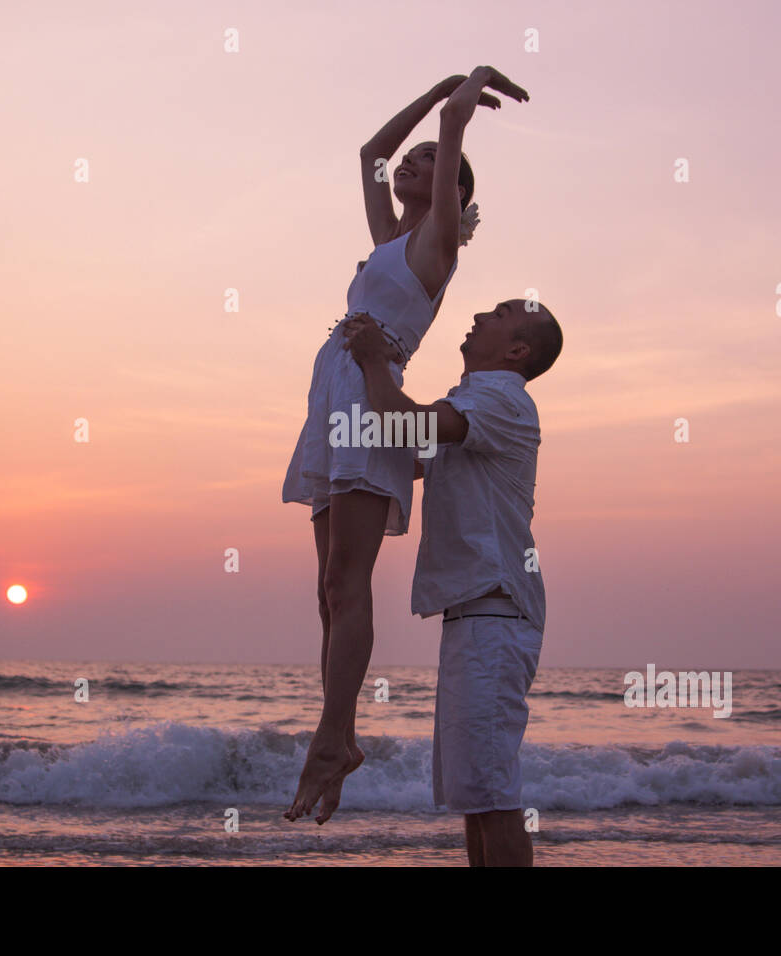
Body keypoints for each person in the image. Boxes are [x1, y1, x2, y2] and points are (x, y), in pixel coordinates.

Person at [283, 68, 530, 823]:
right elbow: (368, 154)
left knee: (348, 582)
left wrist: (467, 98)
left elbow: (453, 137)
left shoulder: (436, 244)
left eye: (429, 162)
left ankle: (333, 736)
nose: (412, 164)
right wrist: (432, 93)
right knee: (330, 589)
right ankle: (341, 732)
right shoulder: (389, 240)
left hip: (369, 398)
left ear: (451, 191)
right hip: (333, 397)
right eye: (415, 158)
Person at [339, 299, 563, 865]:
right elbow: (406, 445)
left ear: (517, 350)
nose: (482, 314)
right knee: (477, 796)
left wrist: (370, 361)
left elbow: (403, 424)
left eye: (502, 313)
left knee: (492, 797)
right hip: (481, 616)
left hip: (494, 614)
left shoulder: (501, 397)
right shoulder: (472, 402)